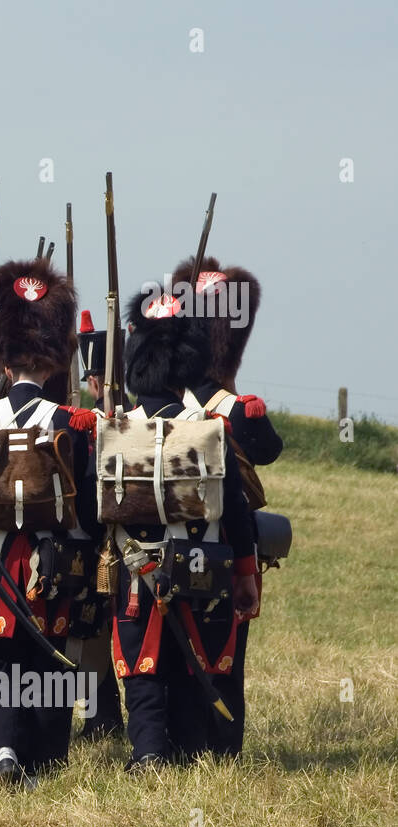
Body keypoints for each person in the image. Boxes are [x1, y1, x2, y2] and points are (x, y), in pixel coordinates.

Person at [0, 258, 99, 788]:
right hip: (52, 561)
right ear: (53, 363)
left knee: (2, 657)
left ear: (5, 364)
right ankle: (45, 761)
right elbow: (90, 502)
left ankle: (4, 750)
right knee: (52, 657)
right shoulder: (71, 423)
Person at [108, 284, 259, 770]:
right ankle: (192, 750)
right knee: (197, 662)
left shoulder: (113, 430)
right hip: (204, 569)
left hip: (137, 571)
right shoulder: (211, 430)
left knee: (143, 669)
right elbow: (235, 513)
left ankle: (149, 751)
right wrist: (246, 573)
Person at [175, 256, 281, 758]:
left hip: (176, 547)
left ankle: (183, 741)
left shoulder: (162, 406)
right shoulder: (232, 409)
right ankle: (220, 746)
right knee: (224, 651)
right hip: (222, 546)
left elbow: (265, 449)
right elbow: (268, 451)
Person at [70, 310, 124, 740]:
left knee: (94, 628)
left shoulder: (108, 424)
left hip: (102, 542)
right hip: (120, 543)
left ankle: (104, 717)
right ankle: (103, 716)